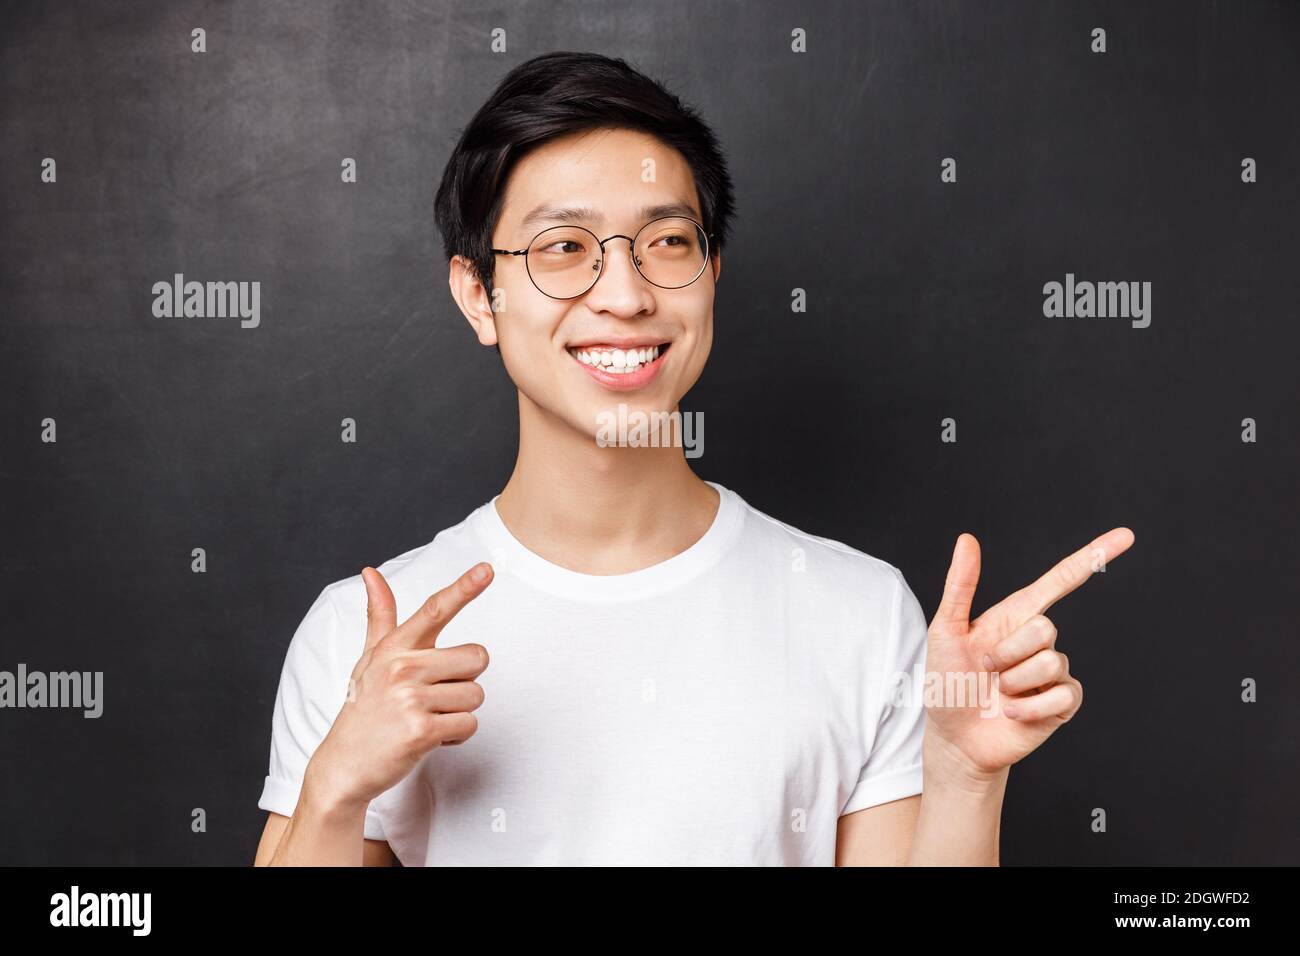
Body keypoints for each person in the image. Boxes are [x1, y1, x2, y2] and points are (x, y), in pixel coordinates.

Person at [253, 51, 1133, 866]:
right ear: (479, 294)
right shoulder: (366, 637)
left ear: (711, 271)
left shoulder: (861, 614)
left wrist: (963, 776)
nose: (627, 294)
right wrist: (334, 788)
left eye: (667, 242)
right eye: (565, 249)